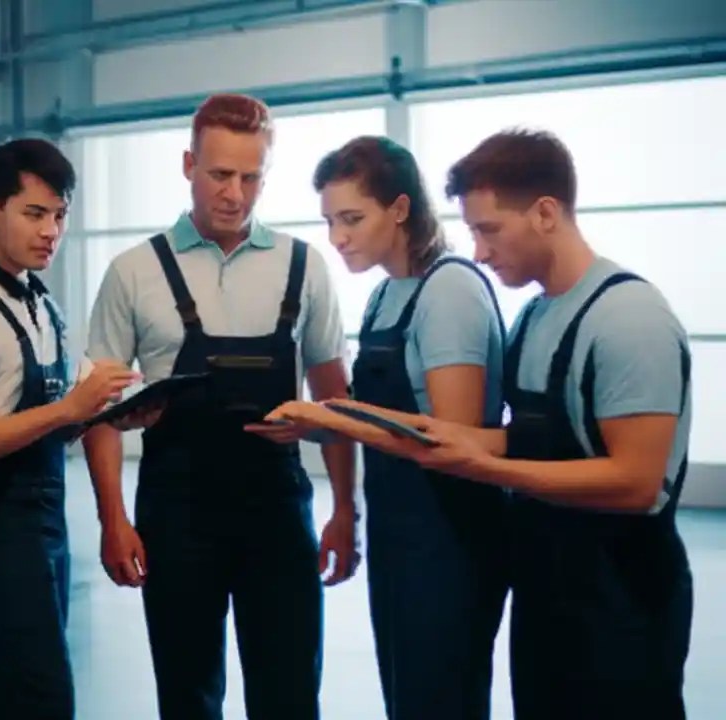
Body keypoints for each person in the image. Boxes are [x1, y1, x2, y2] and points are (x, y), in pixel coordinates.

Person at [270, 128, 695, 719]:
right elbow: (518, 437)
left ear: (546, 213)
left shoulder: (629, 319)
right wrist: (348, 422)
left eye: (488, 229)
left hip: (620, 592)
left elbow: (637, 482)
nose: (478, 251)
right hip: (545, 579)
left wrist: (481, 463)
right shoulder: (536, 317)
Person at [82, 92, 359, 720]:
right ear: (188, 165)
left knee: (288, 693)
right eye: (219, 174)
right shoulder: (133, 272)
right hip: (176, 515)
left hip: (278, 514)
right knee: (187, 695)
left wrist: (346, 508)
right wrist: (112, 520)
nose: (235, 192)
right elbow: (97, 412)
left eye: (251, 176)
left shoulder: (303, 266)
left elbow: (335, 397)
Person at [265, 135, 510, 719]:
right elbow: (369, 414)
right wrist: (314, 424)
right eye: (328, 221)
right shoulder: (383, 296)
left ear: (400, 209)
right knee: (408, 699)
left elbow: (450, 441)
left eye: (352, 218)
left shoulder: (448, 290)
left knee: (441, 701)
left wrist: (329, 416)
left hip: (451, 541)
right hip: (401, 538)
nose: (337, 237)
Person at [0, 137, 140, 719]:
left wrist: (110, 411)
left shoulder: (43, 304)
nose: (51, 232)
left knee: (19, 688)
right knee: (42, 692)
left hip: (44, 507)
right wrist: (69, 410)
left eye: (60, 216)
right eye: (34, 213)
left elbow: (44, 420)